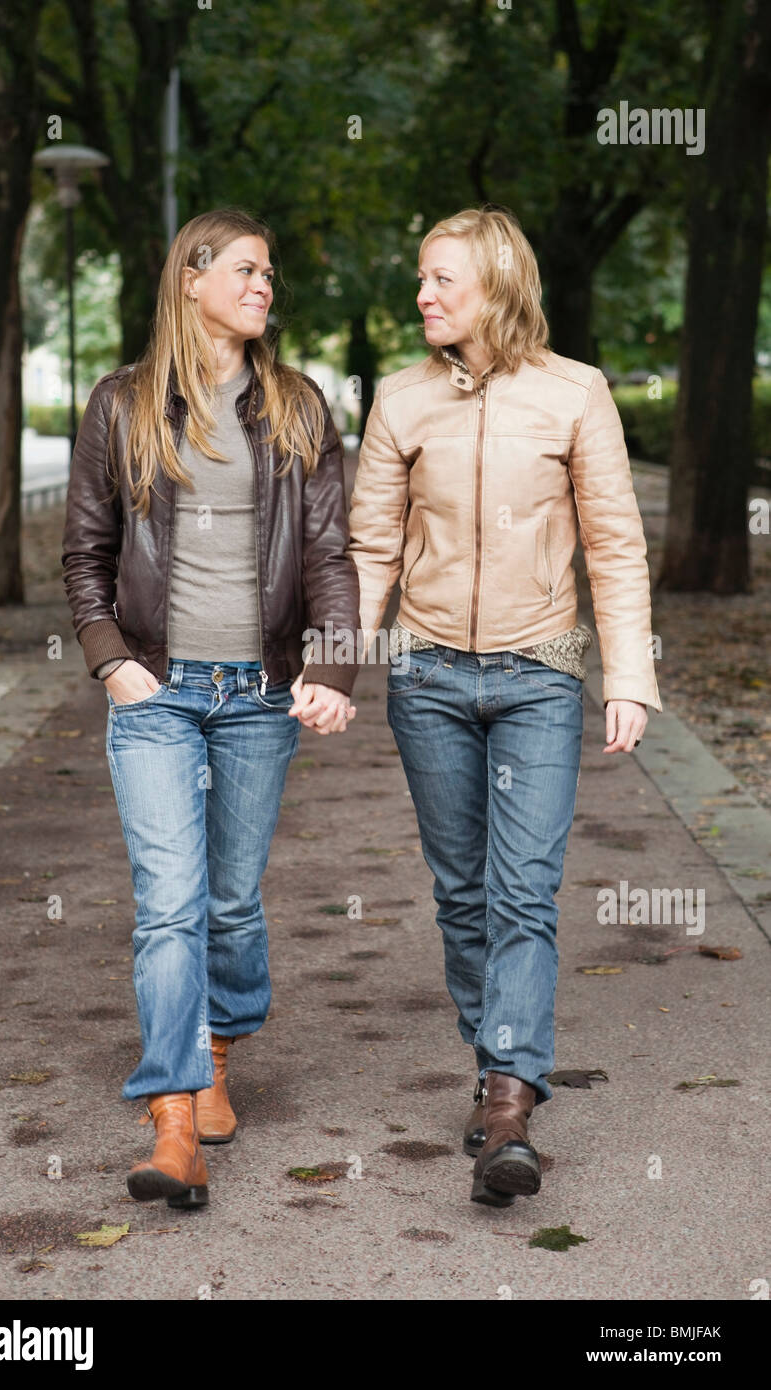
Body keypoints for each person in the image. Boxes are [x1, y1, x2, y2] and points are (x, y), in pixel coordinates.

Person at [346, 205, 662, 1209]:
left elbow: (613, 543)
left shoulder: (574, 393)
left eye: (441, 279)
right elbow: (370, 552)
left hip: (537, 676)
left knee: (522, 890)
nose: (422, 295)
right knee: (460, 893)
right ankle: (496, 1060)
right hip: (428, 678)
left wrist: (628, 675)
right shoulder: (400, 400)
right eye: (422, 279)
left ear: (494, 285)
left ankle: (511, 1097)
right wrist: (333, 665)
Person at [61, 207, 359, 1210]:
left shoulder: (298, 408)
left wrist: (334, 668)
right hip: (155, 690)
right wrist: (110, 661)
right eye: (246, 268)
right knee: (170, 899)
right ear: (190, 277)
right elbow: (85, 554)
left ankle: (220, 1048)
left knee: (229, 900)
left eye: (271, 272)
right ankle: (175, 1115)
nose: (265, 285)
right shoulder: (121, 405)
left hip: (259, 695)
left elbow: (329, 556)